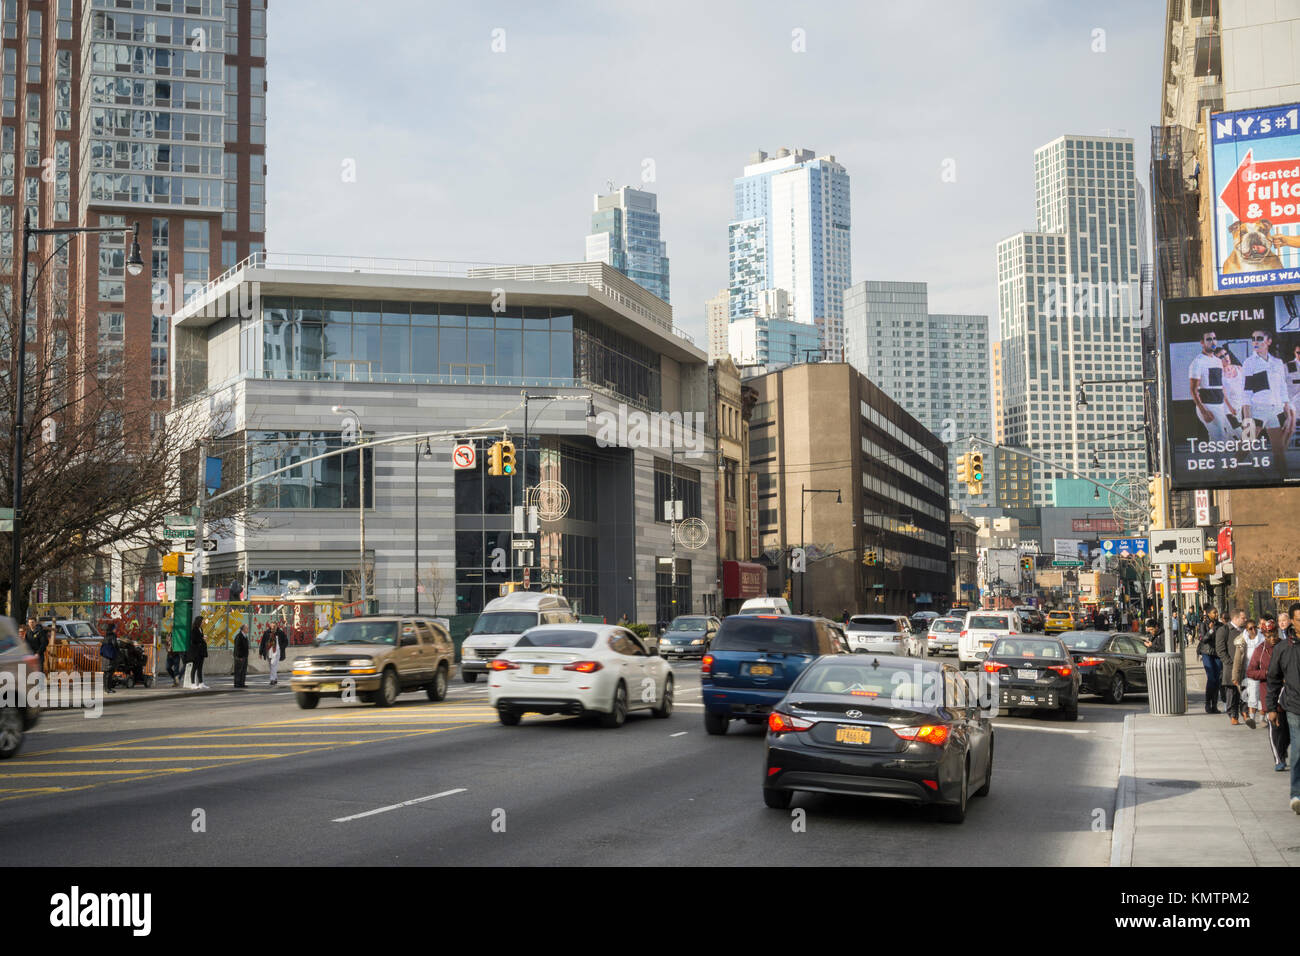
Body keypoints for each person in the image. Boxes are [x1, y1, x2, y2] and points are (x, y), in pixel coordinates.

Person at [1240, 330, 1296, 479]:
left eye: (1259, 338)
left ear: (1269, 341)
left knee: (1279, 450)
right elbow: (1246, 393)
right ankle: (1225, 476)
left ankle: (1285, 480)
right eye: (1253, 339)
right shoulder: (1249, 363)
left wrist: (1288, 415)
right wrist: (1247, 419)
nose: (1255, 342)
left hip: (1275, 413)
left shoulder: (1277, 363)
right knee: (1244, 447)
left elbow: (1283, 391)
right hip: (1257, 411)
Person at [1264, 604, 1300, 814]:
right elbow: (1273, 679)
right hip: (1295, 706)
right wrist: (1271, 708)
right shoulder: (1283, 648)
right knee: (1297, 750)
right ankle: (1296, 794)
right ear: (1293, 621)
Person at [1217, 609, 1247, 725]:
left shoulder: (1245, 630)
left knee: (1245, 690)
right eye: (1243, 618)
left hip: (1245, 665)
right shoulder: (1224, 630)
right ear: (1235, 618)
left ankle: (1245, 712)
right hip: (1231, 666)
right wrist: (1229, 663)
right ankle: (1233, 715)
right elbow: (1220, 650)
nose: (1245, 620)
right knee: (1232, 692)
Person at [1196, 607, 1223, 714]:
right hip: (1207, 653)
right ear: (1208, 614)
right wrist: (1211, 630)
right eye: (1214, 612)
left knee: (1217, 679)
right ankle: (1208, 703)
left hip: (1217, 654)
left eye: (1217, 612)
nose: (1216, 614)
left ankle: (1214, 705)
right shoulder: (1204, 625)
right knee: (1211, 678)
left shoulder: (1220, 625)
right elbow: (1204, 639)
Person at [1241, 617, 1264, 727]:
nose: (1253, 630)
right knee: (1252, 693)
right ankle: (1252, 718)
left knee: (1263, 694)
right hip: (1250, 671)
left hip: (1262, 670)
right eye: (1250, 629)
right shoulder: (1242, 640)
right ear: (1247, 629)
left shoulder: (1262, 638)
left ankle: (1263, 718)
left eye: (1255, 627)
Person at [187, 616, 208, 690]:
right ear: (199, 621)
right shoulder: (194, 629)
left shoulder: (200, 629)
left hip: (201, 651)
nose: (203, 623)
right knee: (194, 667)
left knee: (200, 668)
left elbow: (200, 638)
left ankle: (201, 683)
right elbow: (194, 639)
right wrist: (202, 639)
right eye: (202, 621)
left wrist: (202, 638)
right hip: (196, 652)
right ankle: (192, 683)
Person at [99, 622, 118, 694]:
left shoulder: (106, 636)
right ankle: (108, 689)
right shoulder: (113, 636)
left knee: (106, 673)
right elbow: (115, 645)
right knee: (109, 673)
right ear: (112, 629)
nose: (115, 629)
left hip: (105, 656)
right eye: (115, 628)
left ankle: (106, 688)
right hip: (110, 656)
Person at [269, 618, 288, 686]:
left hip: (277, 651)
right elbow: (264, 642)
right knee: (273, 665)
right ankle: (275, 678)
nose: (273, 627)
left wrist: (281, 647)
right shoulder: (268, 632)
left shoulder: (280, 633)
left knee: (273, 664)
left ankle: (272, 679)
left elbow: (286, 641)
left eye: (274, 626)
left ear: (276, 626)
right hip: (270, 651)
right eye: (272, 626)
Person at [232, 623, 250, 688]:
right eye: (247, 628)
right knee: (238, 671)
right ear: (243, 629)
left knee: (243, 671)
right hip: (240, 657)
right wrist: (239, 656)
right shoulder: (239, 636)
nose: (248, 629)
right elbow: (237, 648)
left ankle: (242, 683)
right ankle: (237, 684)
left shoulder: (245, 636)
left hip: (245, 656)